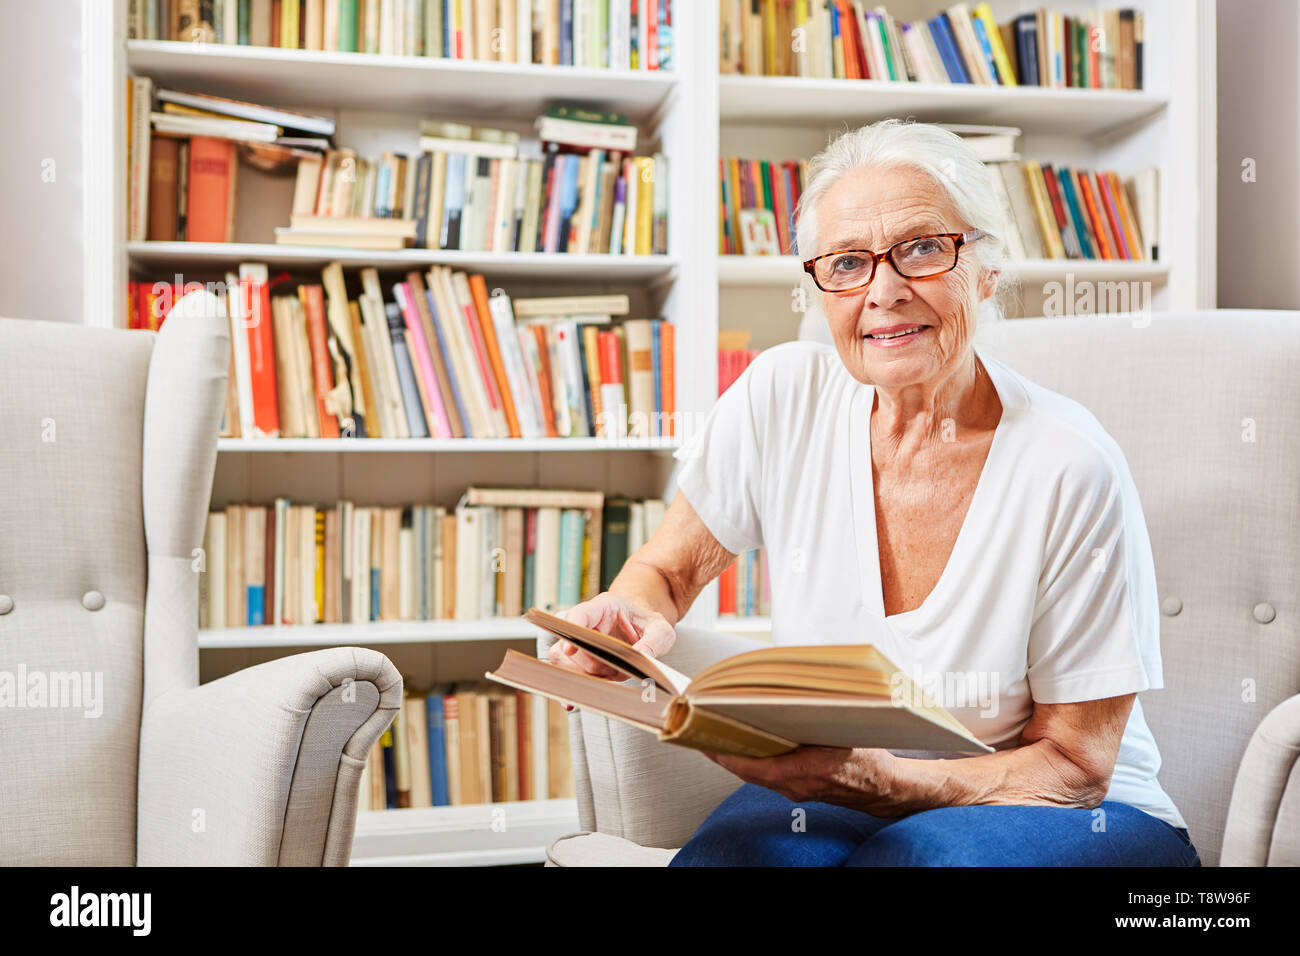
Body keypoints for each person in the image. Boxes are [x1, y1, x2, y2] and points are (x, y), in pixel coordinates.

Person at [550, 119, 1200, 867]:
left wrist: (891, 783)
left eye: (923, 249)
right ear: (819, 287)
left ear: (984, 270)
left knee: (918, 861)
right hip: (845, 781)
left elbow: (1075, 767)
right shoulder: (780, 395)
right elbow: (667, 573)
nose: (884, 293)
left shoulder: (1069, 464)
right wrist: (629, 625)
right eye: (848, 263)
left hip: (1072, 810)